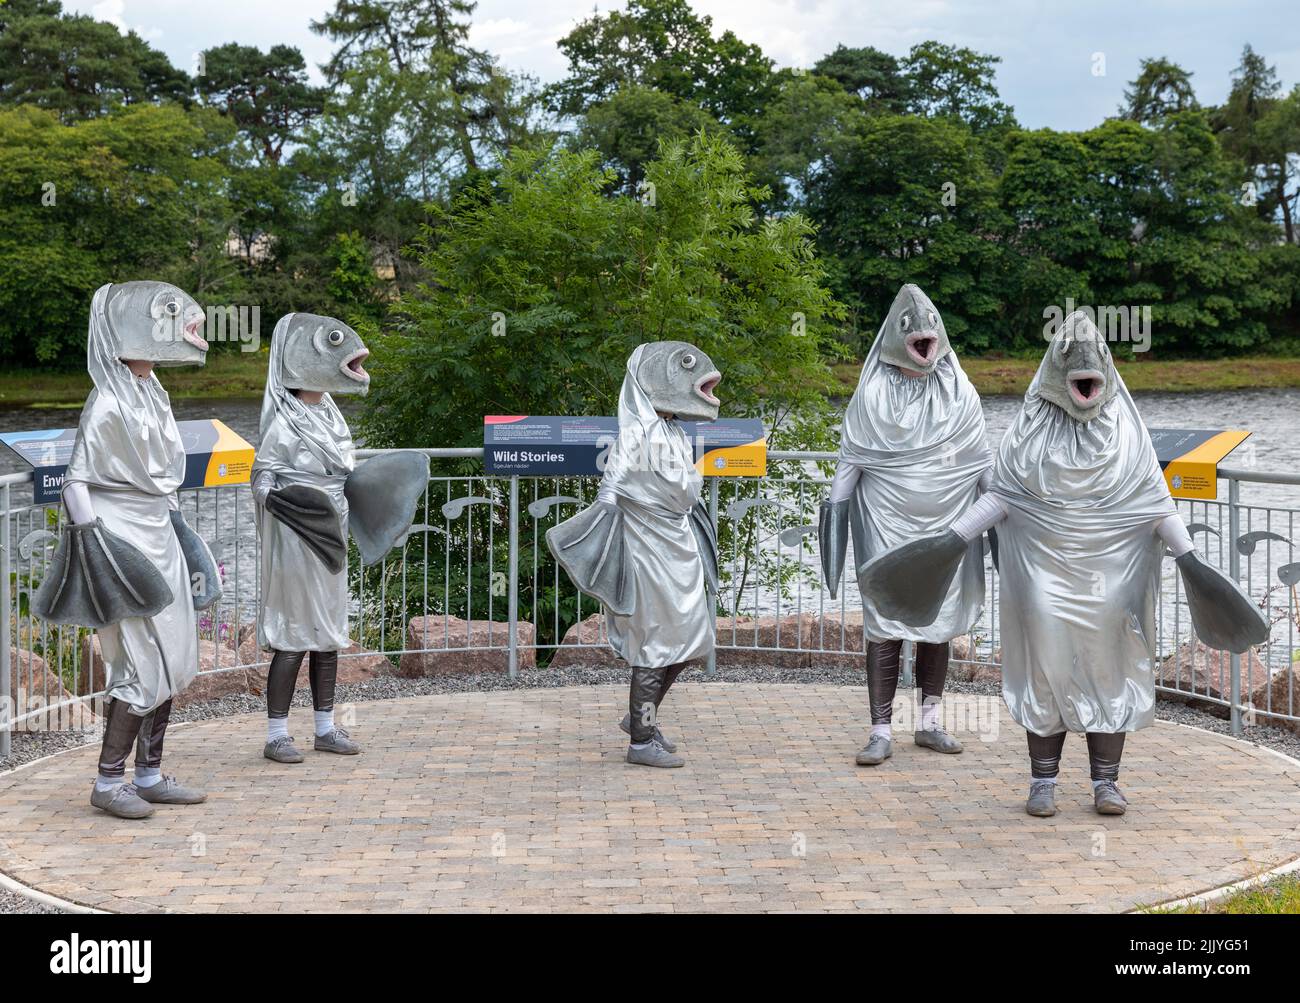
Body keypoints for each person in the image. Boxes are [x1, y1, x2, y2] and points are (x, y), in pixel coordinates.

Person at [858, 312, 1268, 816]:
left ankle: (1106, 783)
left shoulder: (1127, 433)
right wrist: (951, 540)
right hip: (1043, 579)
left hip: (1113, 583)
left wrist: (1190, 560)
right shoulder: (1028, 432)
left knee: (1108, 670)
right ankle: (1043, 781)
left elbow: (1154, 503)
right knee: (1045, 670)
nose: (1084, 372)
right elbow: (1003, 497)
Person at [34, 281, 220, 819]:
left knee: (171, 660)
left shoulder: (152, 390)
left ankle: (150, 773)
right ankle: (108, 781)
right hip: (122, 543)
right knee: (139, 663)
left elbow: (162, 483)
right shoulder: (108, 401)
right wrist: (97, 551)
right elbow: (75, 483)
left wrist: (182, 535)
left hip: (158, 533)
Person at [820, 284, 991, 767]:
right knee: (886, 623)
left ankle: (930, 722)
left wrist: (1004, 512)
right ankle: (880, 730)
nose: (923, 334)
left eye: (929, 328)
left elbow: (980, 463)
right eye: (912, 330)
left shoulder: (960, 390)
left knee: (938, 623)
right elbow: (850, 462)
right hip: (886, 525)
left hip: (949, 526)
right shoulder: (872, 393)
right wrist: (835, 512)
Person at [252, 313, 429, 764]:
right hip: (297, 536)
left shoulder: (330, 415)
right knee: (294, 632)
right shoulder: (283, 424)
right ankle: (276, 735)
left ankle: (325, 727)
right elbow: (262, 478)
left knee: (328, 633)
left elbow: (346, 473)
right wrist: (284, 503)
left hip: (331, 534)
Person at [547, 342, 722, 768]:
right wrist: (592, 536)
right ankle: (641, 743)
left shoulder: (673, 432)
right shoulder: (636, 436)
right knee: (656, 644)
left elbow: (685, 493)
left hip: (677, 551)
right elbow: (612, 487)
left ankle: (639, 717)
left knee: (691, 641)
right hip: (649, 557)